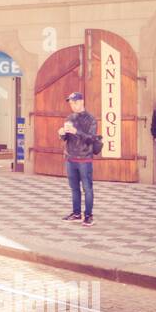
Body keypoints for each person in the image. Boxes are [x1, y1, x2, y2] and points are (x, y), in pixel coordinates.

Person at [57, 91, 98, 226]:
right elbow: (66, 138)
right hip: (70, 157)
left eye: (74, 102)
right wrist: (62, 134)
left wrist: (76, 132)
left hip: (85, 159)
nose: (72, 105)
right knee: (74, 188)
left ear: (81, 102)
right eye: (70, 103)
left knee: (87, 188)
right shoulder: (69, 118)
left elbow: (91, 138)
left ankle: (88, 215)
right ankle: (76, 214)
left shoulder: (91, 119)